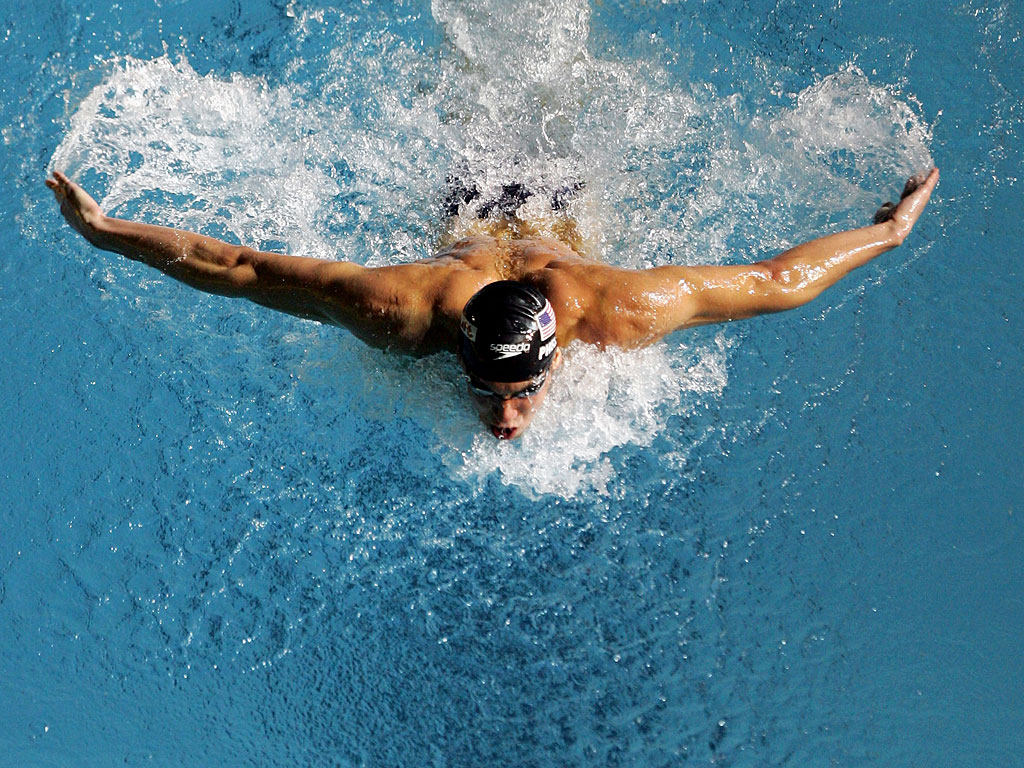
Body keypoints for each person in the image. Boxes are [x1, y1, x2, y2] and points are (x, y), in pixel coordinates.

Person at [46, 167, 939, 440]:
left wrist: (889, 233)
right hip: (468, 196)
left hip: (560, 200)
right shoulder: (403, 311)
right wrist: (104, 228)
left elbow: (780, 282)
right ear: (457, 350)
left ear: (559, 352)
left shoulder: (618, 313)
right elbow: (239, 266)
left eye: (517, 394)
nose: (506, 421)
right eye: (489, 394)